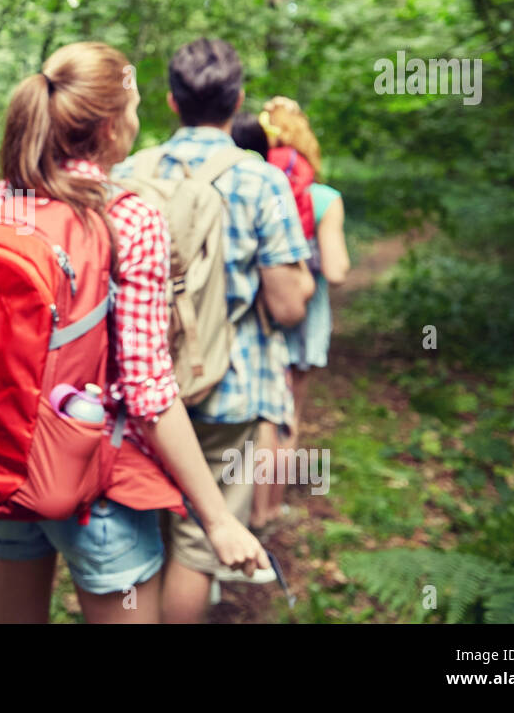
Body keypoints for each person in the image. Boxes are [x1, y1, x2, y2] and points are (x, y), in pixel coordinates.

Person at [0, 41, 268, 625]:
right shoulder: (128, 216)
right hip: (98, 486)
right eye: (135, 105)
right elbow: (149, 392)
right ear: (111, 125)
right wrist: (219, 519)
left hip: (2, 469)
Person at [113, 38, 314, 624]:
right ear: (239, 99)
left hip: (141, 386)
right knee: (202, 541)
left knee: (146, 531)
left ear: (172, 102)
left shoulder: (129, 171)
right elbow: (288, 306)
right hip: (229, 386)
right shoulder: (261, 180)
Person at [253, 100, 350, 526]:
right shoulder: (324, 199)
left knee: (259, 415)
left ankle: (246, 507)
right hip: (307, 317)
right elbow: (337, 269)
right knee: (289, 416)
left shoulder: (252, 186)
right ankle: (271, 508)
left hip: (260, 313)